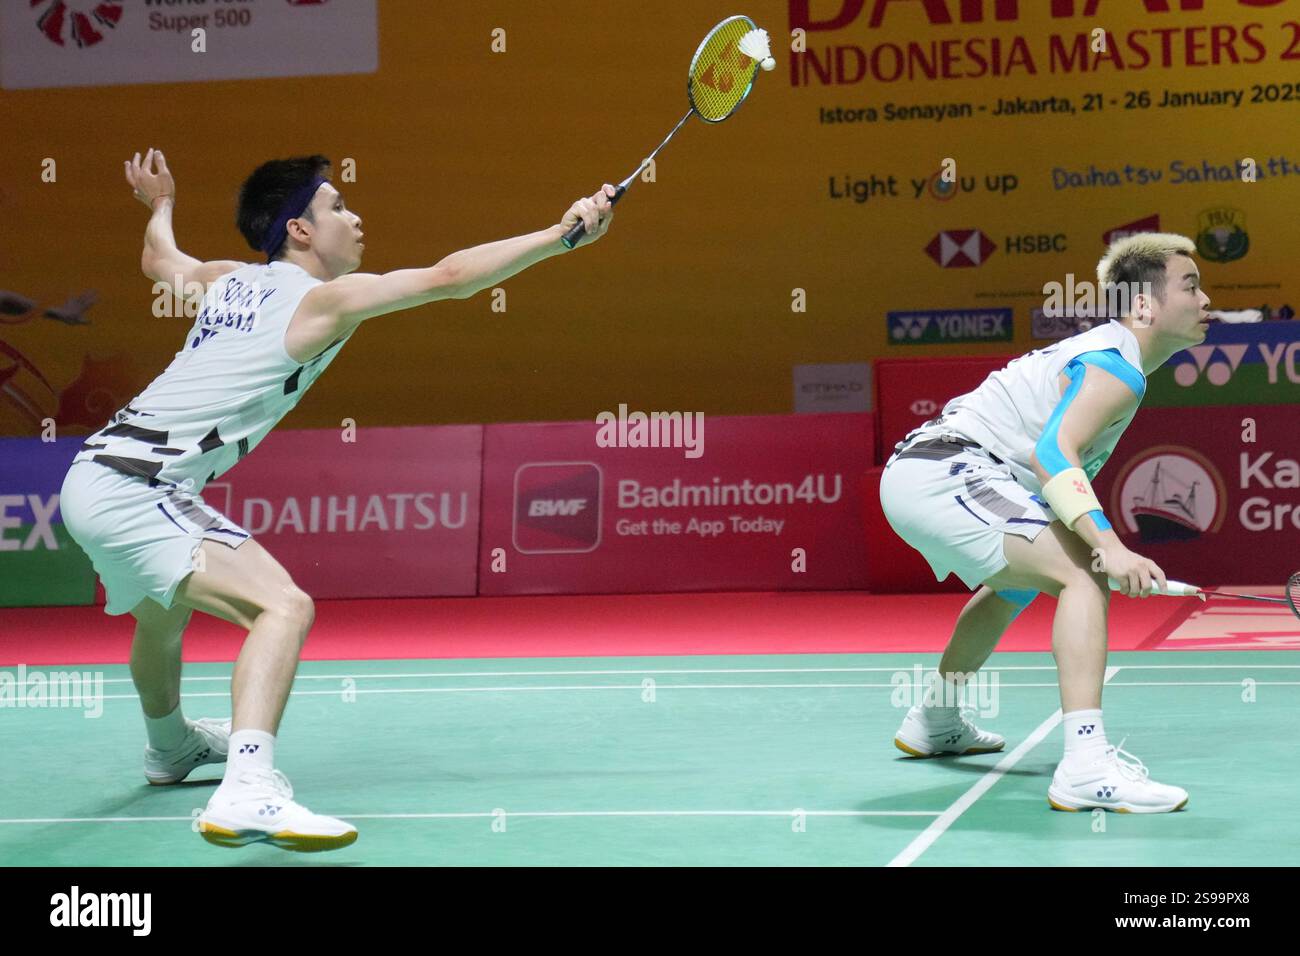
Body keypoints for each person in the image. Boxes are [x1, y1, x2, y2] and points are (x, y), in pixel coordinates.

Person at [59, 148, 617, 850]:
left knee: (161, 614)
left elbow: (158, 261)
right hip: (138, 487)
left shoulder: (230, 281)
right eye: (338, 207)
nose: (355, 219)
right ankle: (249, 790)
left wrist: (161, 206)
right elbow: (449, 279)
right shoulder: (323, 300)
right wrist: (561, 234)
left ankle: (169, 749)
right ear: (299, 230)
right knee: (283, 607)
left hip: (95, 475)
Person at [879, 232, 1212, 813]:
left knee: (1013, 587)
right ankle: (1085, 767)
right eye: (1191, 286)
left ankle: (934, 718)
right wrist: (1108, 547)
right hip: (947, 469)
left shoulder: (1114, 359)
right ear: (1144, 305)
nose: (1206, 300)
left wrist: (1100, 546)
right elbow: (1054, 455)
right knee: (1082, 574)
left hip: (934, 469)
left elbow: (1054, 472)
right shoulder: (1115, 367)